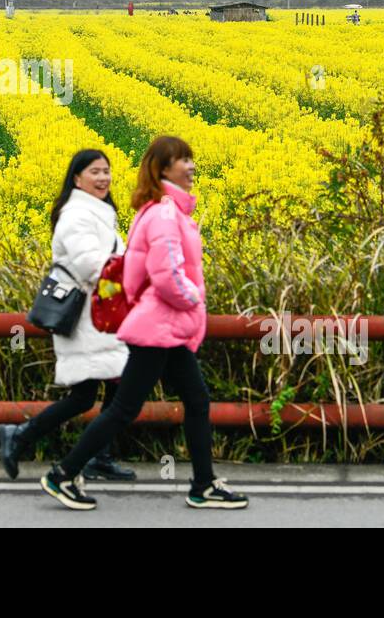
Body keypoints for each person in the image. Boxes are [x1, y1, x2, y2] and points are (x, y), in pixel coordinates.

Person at [40, 136, 247, 511]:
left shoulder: (157, 209)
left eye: (191, 158)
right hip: (160, 328)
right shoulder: (165, 212)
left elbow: (131, 274)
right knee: (125, 408)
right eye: (184, 159)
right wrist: (193, 299)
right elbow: (164, 273)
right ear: (164, 168)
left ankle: (203, 484)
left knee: (195, 401)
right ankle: (63, 474)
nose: (191, 166)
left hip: (164, 327)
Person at [0, 150, 135, 481]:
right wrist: (135, 271)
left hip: (105, 317)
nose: (103, 178)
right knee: (87, 394)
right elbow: (91, 264)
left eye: (106, 171)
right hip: (86, 318)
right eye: (94, 172)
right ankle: (20, 436)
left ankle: (98, 456)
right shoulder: (76, 216)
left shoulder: (100, 214)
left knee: (116, 384)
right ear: (77, 178)